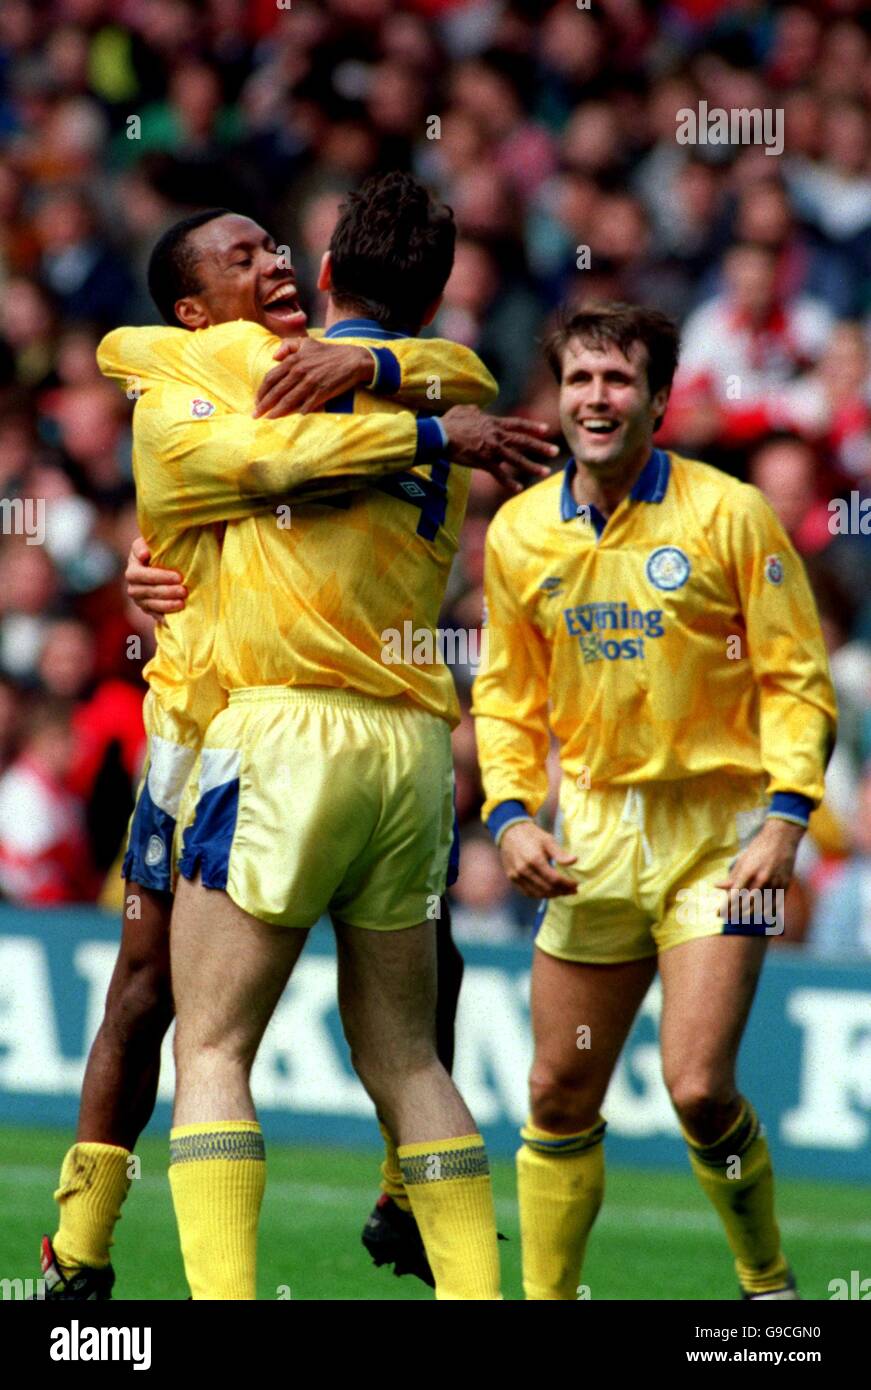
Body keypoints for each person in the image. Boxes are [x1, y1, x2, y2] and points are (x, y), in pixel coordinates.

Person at [38, 179, 553, 1300]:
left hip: (271, 722)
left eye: (275, 246)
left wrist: (382, 376)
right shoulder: (190, 369)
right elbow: (216, 442)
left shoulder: (352, 363)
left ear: (319, 275)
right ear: (195, 304)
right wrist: (427, 427)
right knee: (147, 990)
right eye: (239, 256)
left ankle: (383, 1204)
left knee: (243, 1021)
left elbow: (442, 374)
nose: (268, 260)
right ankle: (80, 1243)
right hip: (212, 712)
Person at [471, 302, 837, 1301]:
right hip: (588, 834)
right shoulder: (517, 535)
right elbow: (505, 698)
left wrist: (786, 817)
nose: (596, 397)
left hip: (723, 840)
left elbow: (796, 679)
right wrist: (507, 815)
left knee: (698, 1087)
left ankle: (765, 1283)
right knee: (554, 1088)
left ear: (659, 400)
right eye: (579, 379)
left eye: (618, 380)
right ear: (556, 398)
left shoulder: (730, 514)